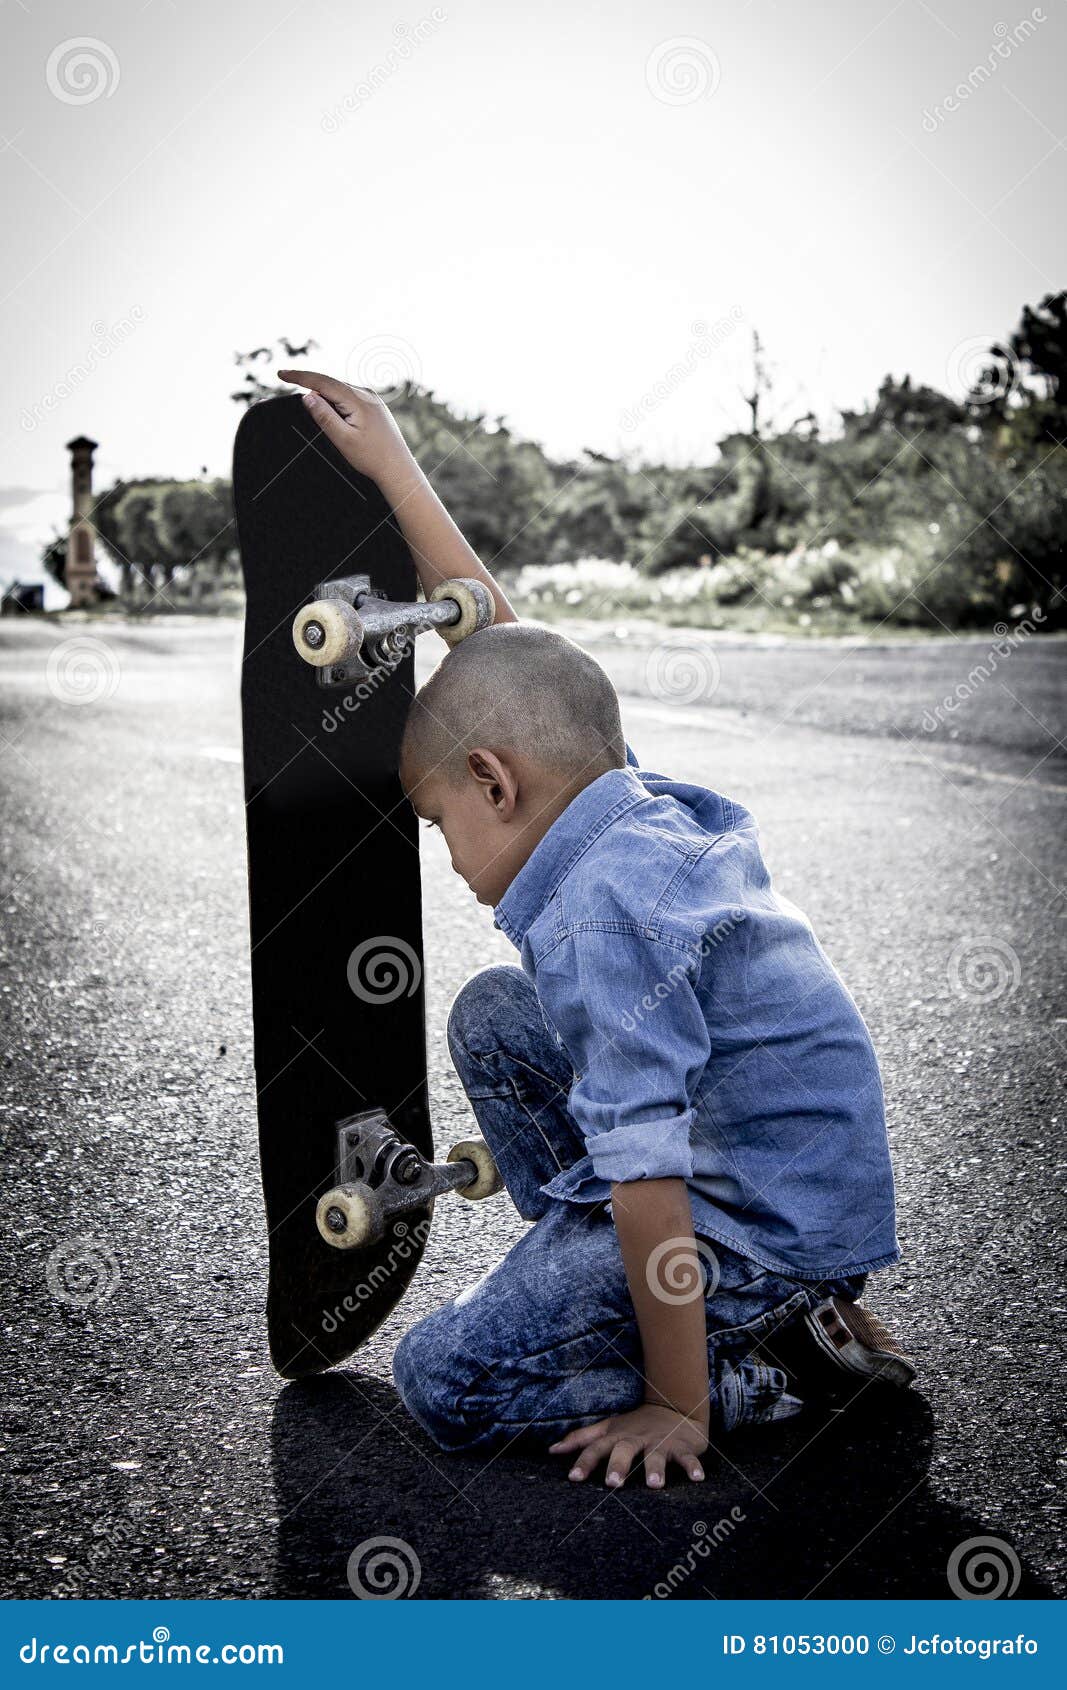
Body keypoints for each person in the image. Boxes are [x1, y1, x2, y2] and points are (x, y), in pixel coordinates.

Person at [281, 368, 914, 1491]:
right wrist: (393, 467)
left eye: (437, 825)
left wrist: (673, 1407)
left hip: (739, 1222)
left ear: (493, 784)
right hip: (787, 1174)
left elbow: (648, 1177)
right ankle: (696, 1293)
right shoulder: (616, 791)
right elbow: (509, 660)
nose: (445, 854)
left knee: (442, 1380)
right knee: (493, 1016)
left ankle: (757, 1361)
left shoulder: (599, 924)